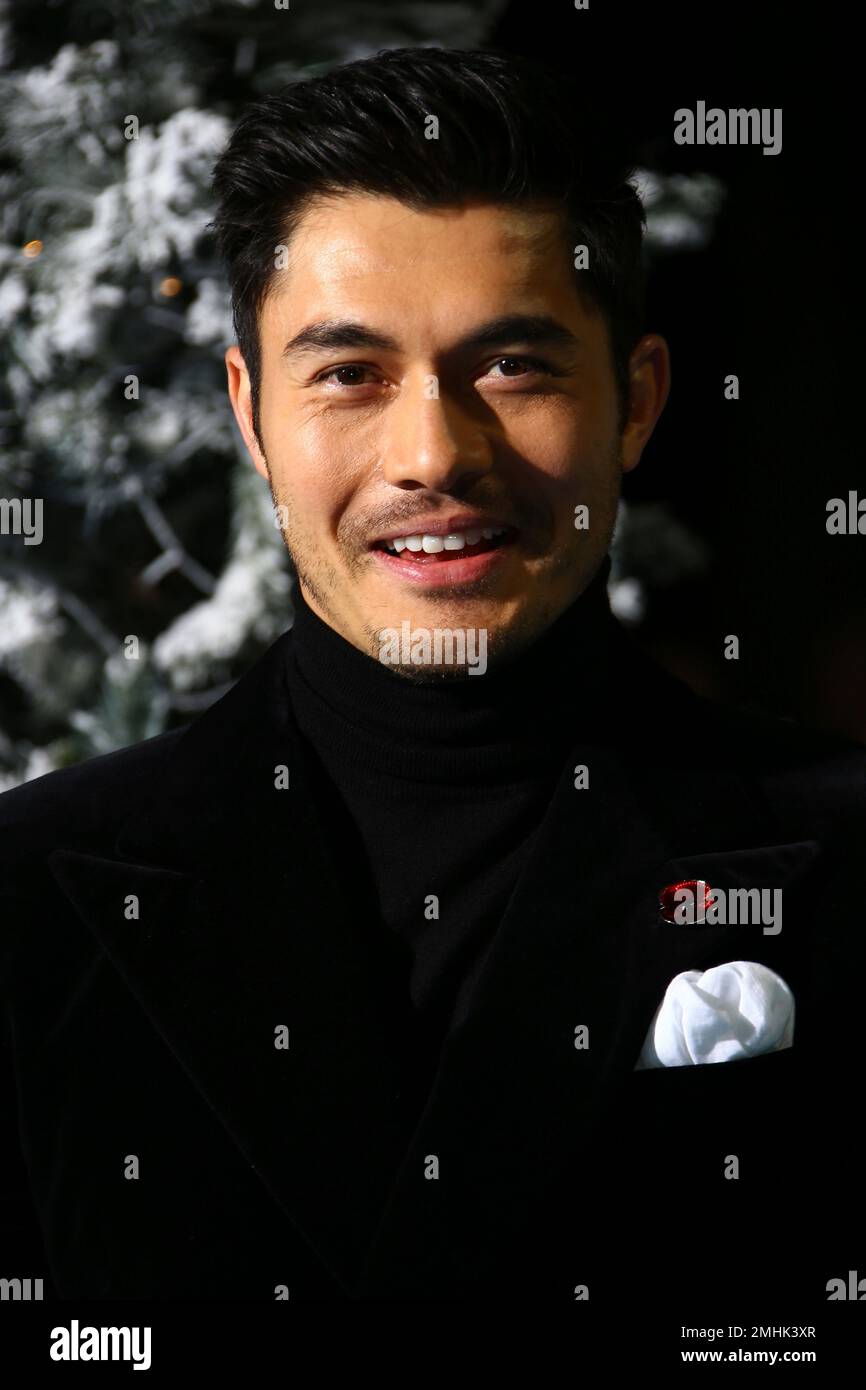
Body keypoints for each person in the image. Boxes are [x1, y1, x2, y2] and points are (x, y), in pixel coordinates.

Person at [1, 46, 864, 1308]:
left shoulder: (844, 860)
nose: (431, 454)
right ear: (251, 415)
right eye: (348, 374)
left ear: (633, 401)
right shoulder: (31, 900)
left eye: (511, 367)